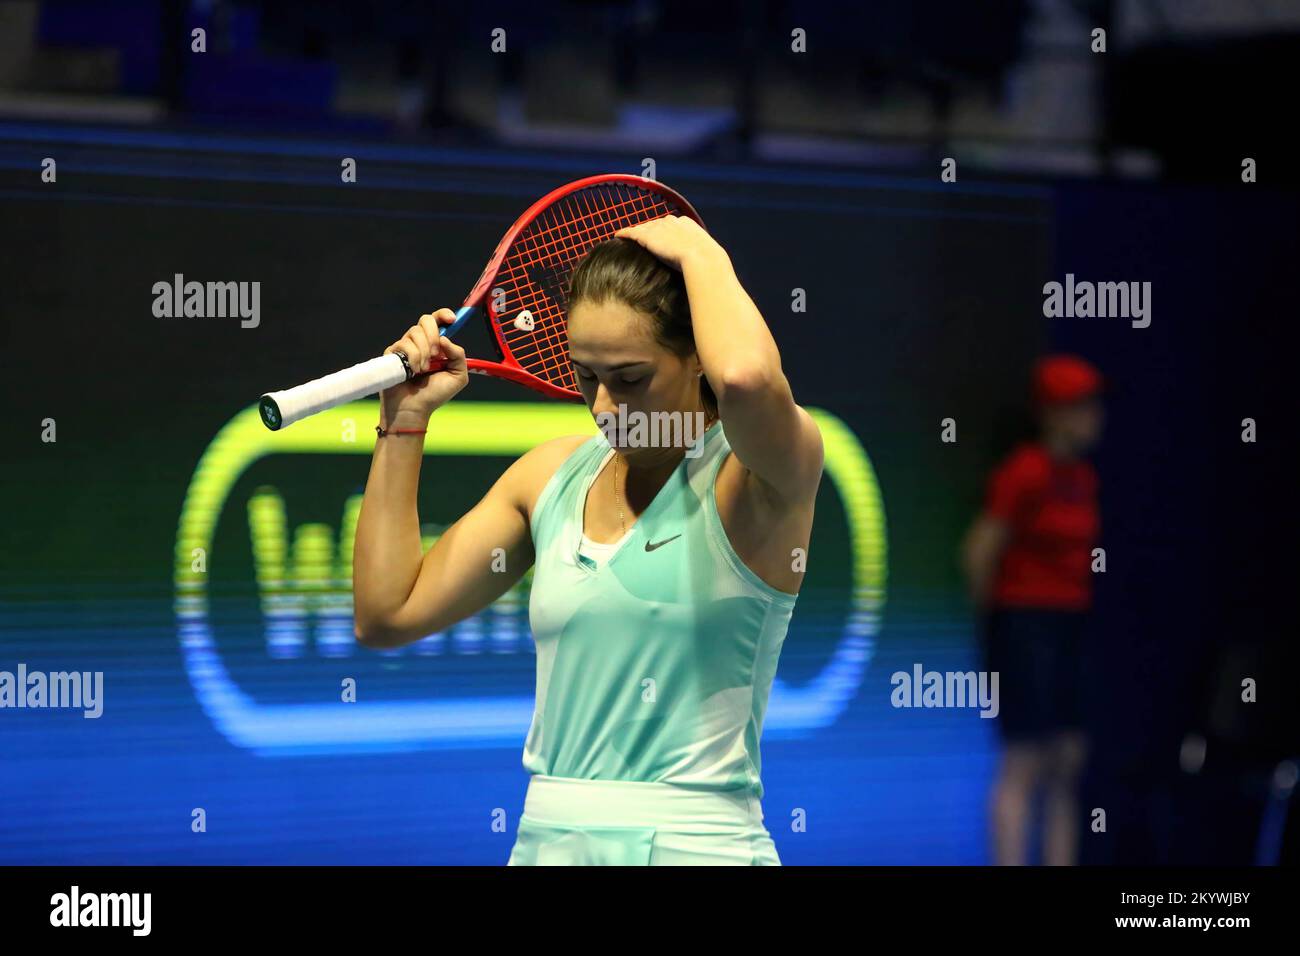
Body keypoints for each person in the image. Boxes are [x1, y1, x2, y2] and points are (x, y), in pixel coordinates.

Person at [351, 216, 824, 865]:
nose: (603, 405)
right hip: (546, 843)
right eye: (585, 375)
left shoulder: (757, 479)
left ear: (696, 359)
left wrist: (697, 247)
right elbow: (387, 614)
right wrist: (403, 423)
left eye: (630, 379)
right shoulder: (547, 476)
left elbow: (745, 379)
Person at [961, 354, 1103, 866]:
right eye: (1082, 406)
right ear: (1053, 412)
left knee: (1067, 762)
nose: (1094, 416)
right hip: (1024, 626)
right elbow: (980, 552)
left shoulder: (1085, 478)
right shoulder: (1023, 472)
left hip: (1072, 625)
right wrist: (998, 628)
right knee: (1023, 761)